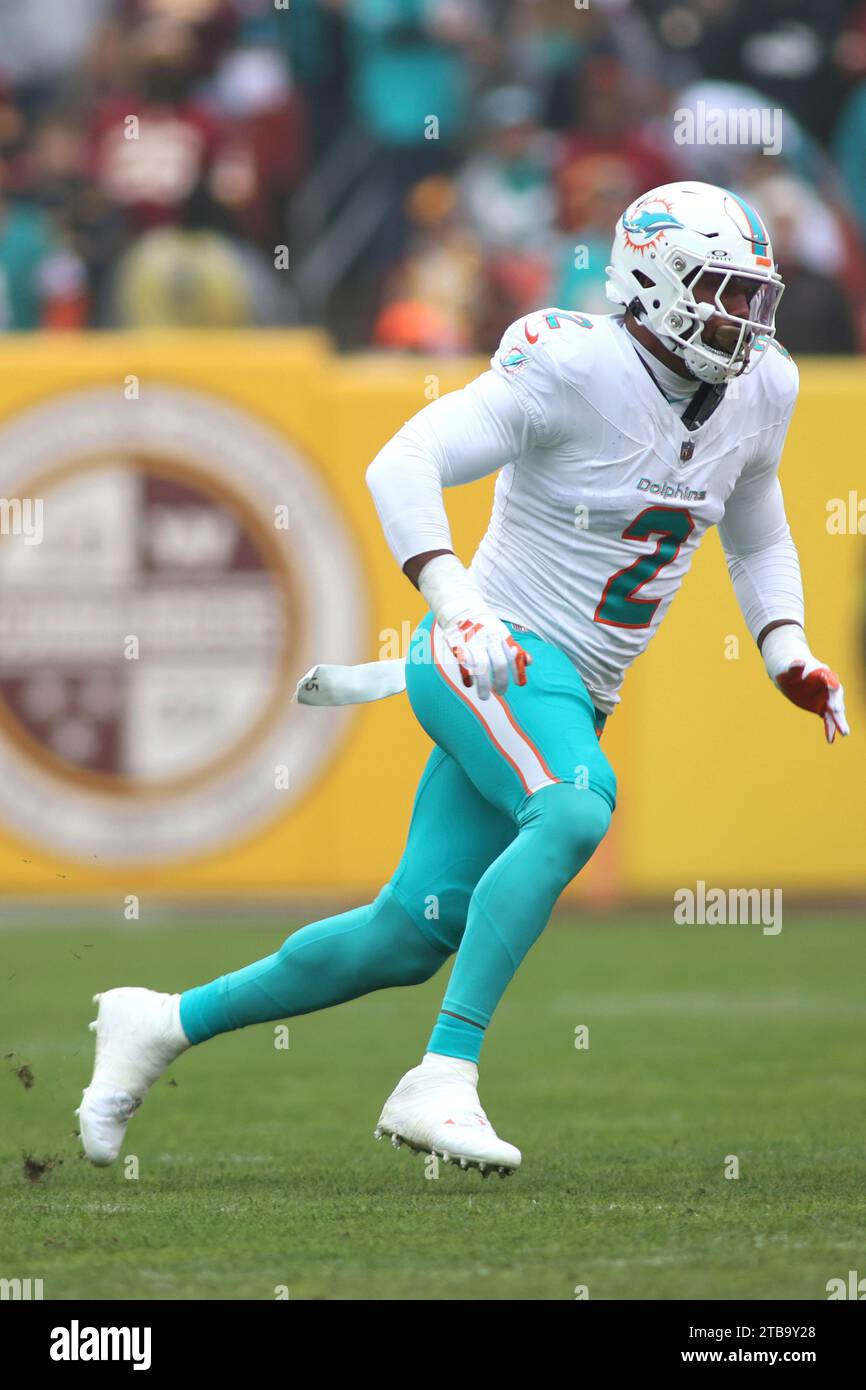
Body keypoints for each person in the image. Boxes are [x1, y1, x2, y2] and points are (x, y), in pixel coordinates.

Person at [76, 181, 848, 1178]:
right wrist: (456, 603)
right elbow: (404, 459)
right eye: (719, 291)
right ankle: (443, 1072)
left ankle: (160, 1021)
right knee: (574, 809)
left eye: (753, 295)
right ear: (653, 282)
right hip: (493, 652)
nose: (742, 317)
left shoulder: (761, 386)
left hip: (570, 688)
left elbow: (756, 525)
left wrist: (783, 647)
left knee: (406, 933)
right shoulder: (572, 364)